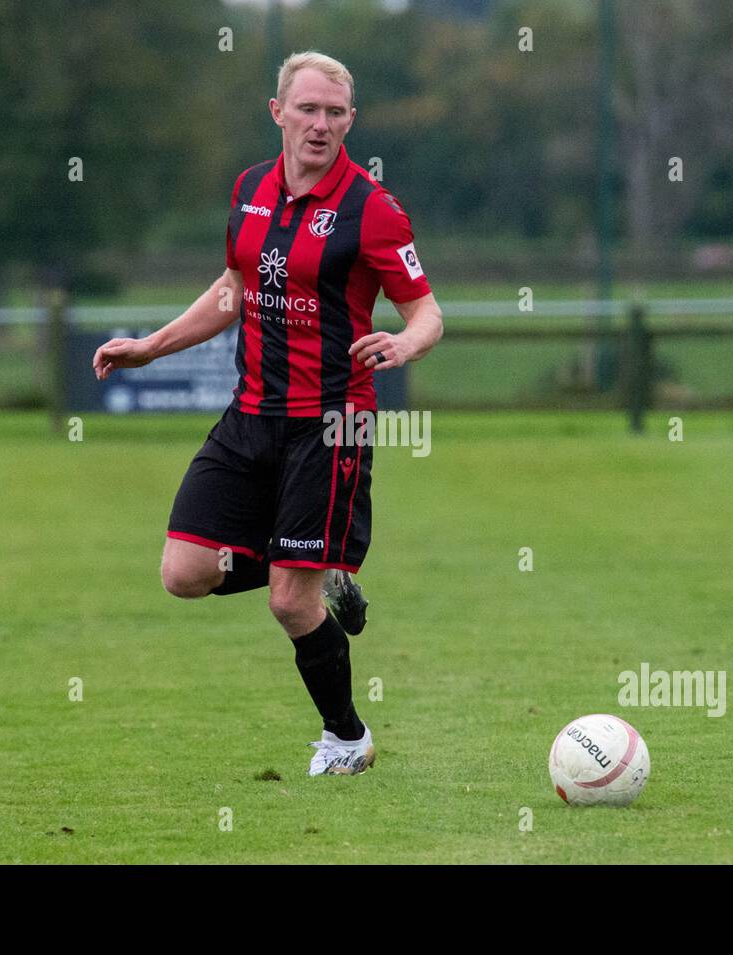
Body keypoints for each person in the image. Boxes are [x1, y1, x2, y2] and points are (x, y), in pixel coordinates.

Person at [92, 51, 443, 776]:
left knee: (288, 600)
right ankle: (322, 567)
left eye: (335, 113)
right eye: (308, 109)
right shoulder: (250, 187)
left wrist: (406, 343)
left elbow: (427, 310)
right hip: (249, 416)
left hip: (330, 422)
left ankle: (346, 737)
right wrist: (153, 346)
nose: (321, 124)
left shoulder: (372, 208)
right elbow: (233, 288)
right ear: (277, 110)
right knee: (184, 572)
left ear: (351, 120)